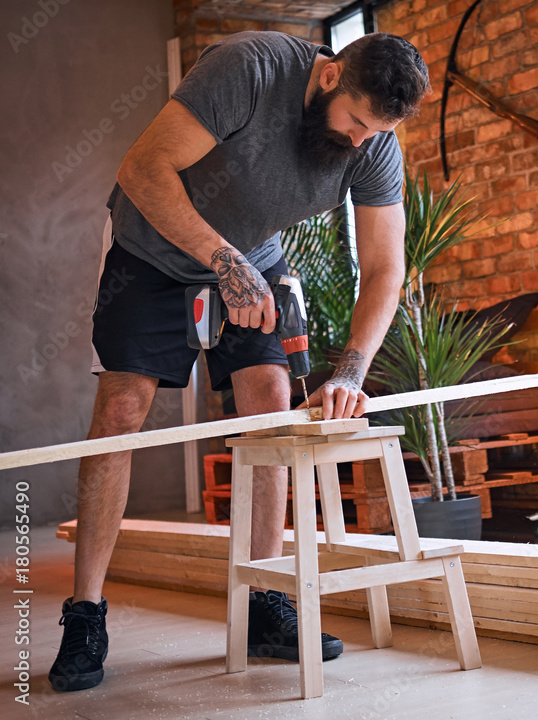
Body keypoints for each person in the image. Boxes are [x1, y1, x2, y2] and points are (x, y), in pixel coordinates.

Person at [48, 30, 430, 692]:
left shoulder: (373, 145)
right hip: (152, 250)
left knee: (270, 407)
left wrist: (350, 372)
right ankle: (85, 612)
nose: (363, 141)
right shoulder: (249, 69)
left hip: (254, 259)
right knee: (121, 409)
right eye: (358, 123)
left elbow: (384, 265)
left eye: (378, 132)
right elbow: (141, 170)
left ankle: (263, 602)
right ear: (333, 76)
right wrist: (221, 262)